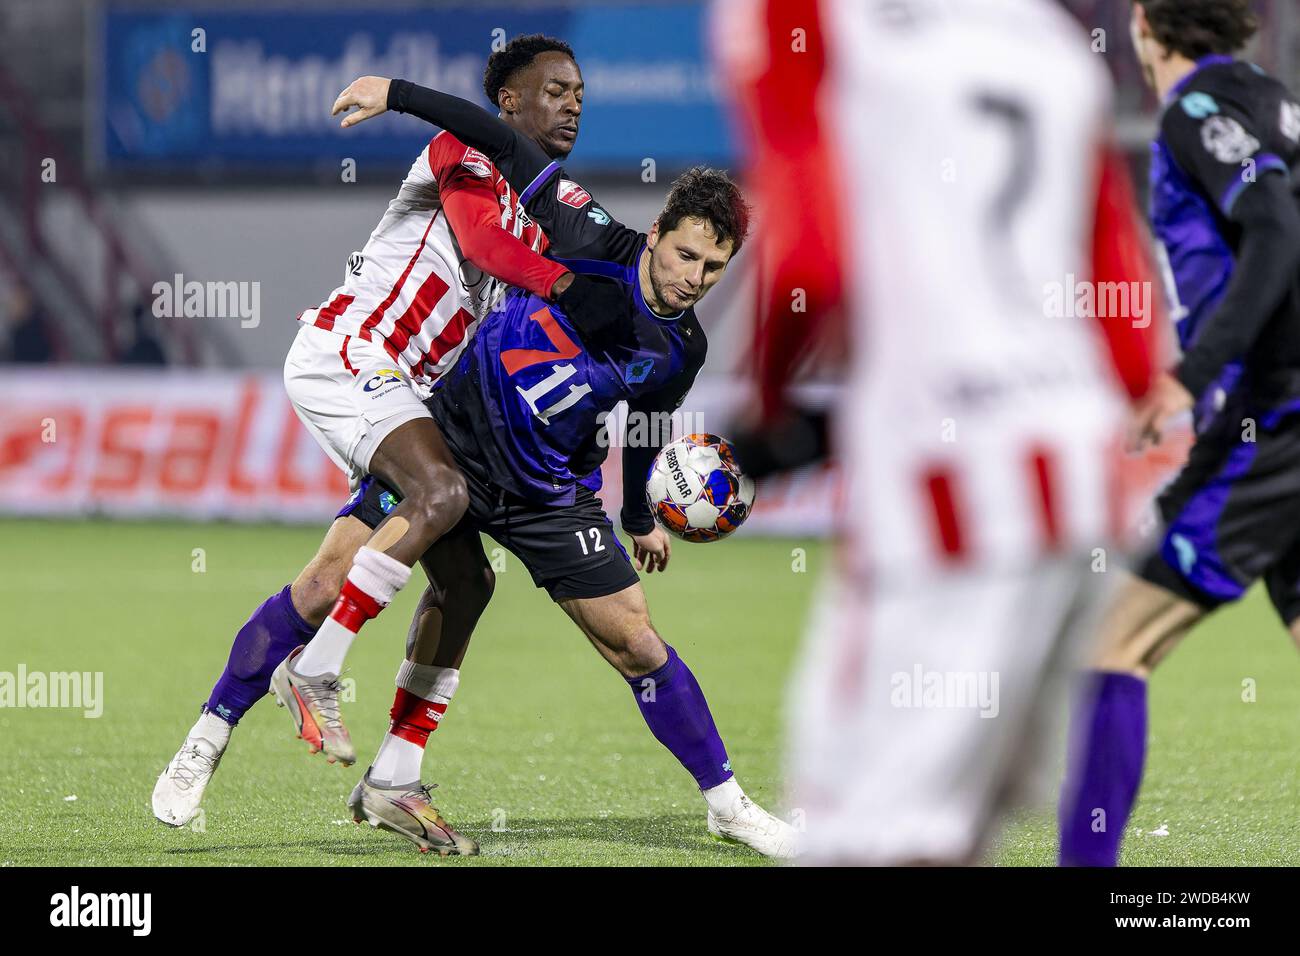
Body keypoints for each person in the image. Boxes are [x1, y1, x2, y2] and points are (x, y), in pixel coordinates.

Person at [714, 0, 1159, 863]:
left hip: (950, 487)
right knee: (954, 831)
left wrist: (767, 404)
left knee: (862, 837)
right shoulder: (1051, 37)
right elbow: (1123, 306)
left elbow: (810, 253)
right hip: (1084, 480)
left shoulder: (797, 17)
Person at [324, 76, 798, 858]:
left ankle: (728, 804)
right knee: (326, 581)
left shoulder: (685, 348)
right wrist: (398, 94)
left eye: (714, 269)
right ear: (654, 235)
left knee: (638, 643)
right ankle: (207, 740)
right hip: (455, 445)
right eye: (685, 254)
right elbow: (500, 141)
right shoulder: (585, 231)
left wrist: (639, 517)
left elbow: (645, 423)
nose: (693, 279)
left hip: (548, 491)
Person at [152, 35, 610, 833]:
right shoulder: (463, 147)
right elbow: (479, 244)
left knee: (452, 582)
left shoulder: (542, 223)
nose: (573, 102)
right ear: (507, 102)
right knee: (440, 493)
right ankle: (308, 673)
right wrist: (571, 285)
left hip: (408, 397)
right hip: (350, 352)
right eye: (556, 89)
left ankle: (378, 774)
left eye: (580, 92)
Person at [1058, 0, 1300, 867]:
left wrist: (1185, 378)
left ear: (1146, 26)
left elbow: (1276, 232)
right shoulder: (1270, 98)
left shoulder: (1197, 109)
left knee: (1110, 645)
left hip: (1270, 425)